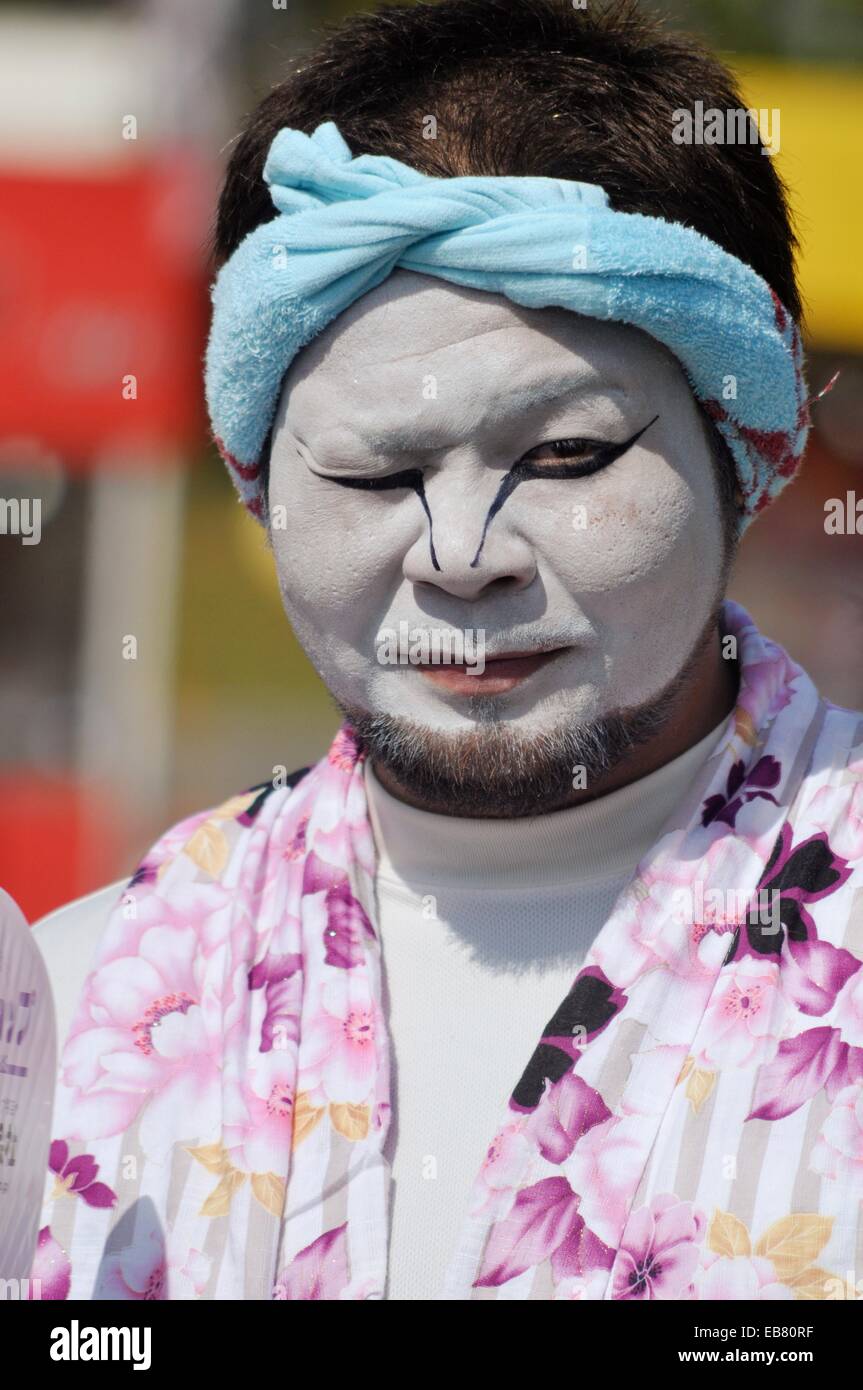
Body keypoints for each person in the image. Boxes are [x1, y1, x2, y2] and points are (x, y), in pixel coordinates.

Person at [31, 0, 863, 1302]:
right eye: (371, 471)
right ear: (259, 487)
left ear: (747, 448)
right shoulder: (67, 1013)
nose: (462, 553)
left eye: (570, 453)